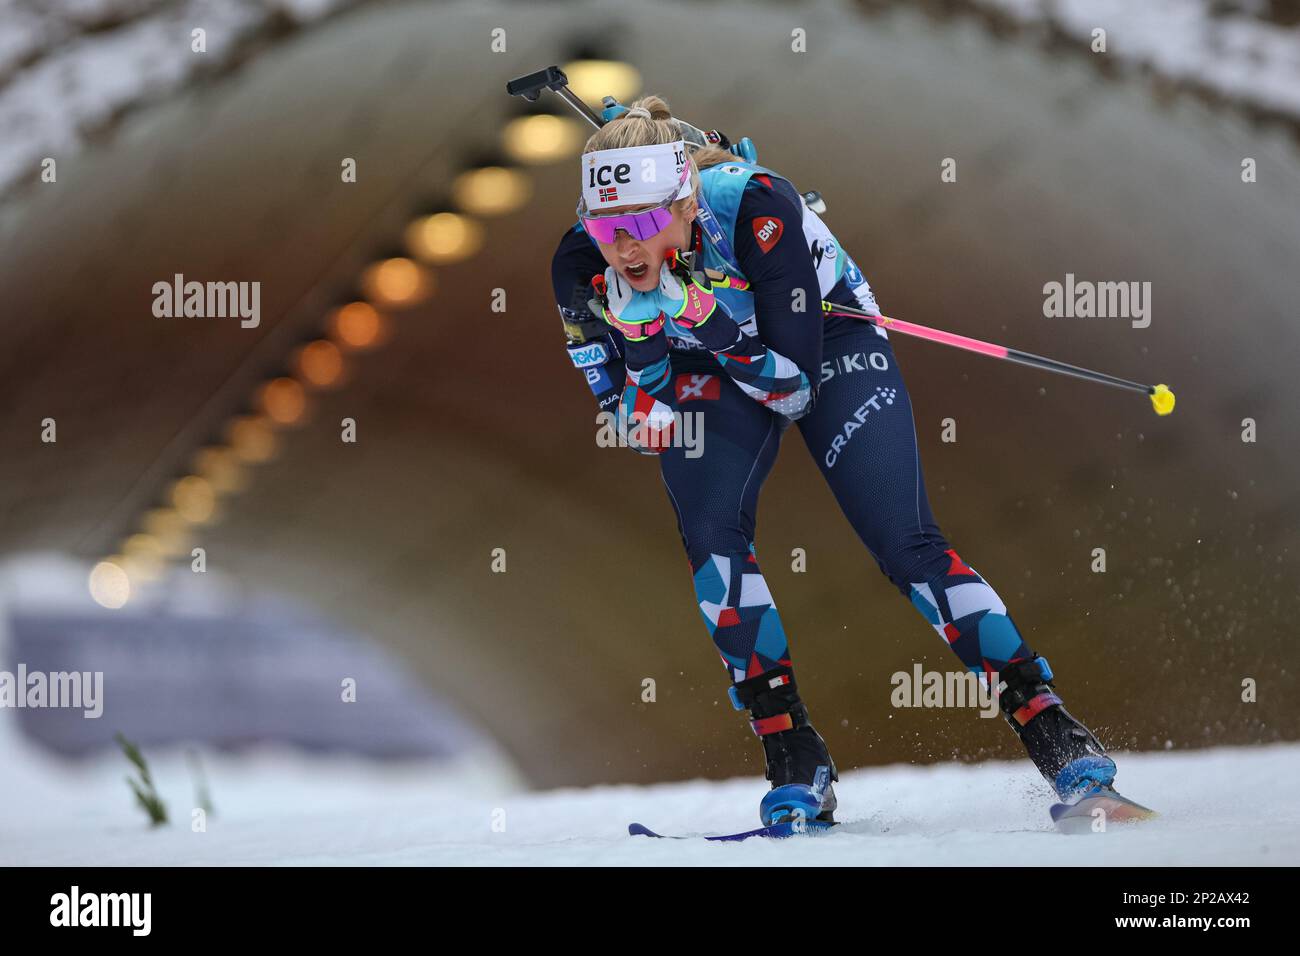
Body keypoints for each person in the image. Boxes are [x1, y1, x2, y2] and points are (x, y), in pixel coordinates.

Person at [550, 96, 1125, 827]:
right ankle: (794, 751)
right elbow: (639, 426)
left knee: (905, 541)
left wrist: (704, 319)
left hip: (822, 343)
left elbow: (791, 387)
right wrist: (644, 355)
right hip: (710, 362)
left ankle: (1049, 726)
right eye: (605, 228)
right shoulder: (579, 266)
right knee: (711, 540)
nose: (623, 249)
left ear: (685, 201)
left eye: (639, 225)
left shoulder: (756, 209)